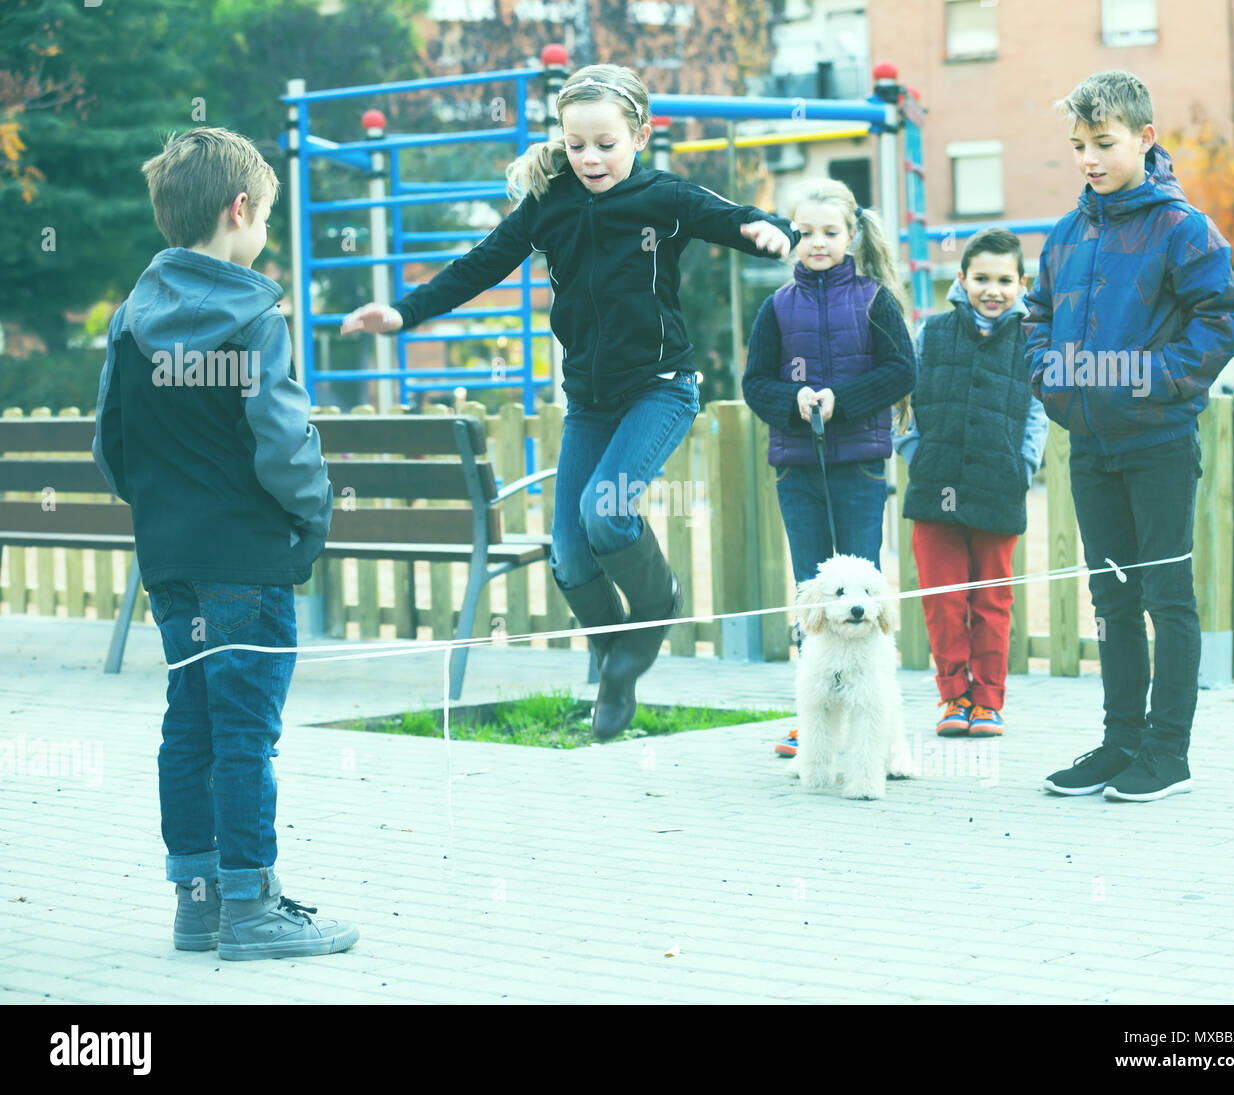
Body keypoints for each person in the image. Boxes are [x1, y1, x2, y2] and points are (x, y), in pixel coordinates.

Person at [342, 64, 796, 739]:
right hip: (588, 400)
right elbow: (480, 263)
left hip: (660, 389)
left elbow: (726, 216)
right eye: (577, 143)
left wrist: (766, 228)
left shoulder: (662, 195)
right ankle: (614, 649)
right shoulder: (549, 203)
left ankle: (644, 626)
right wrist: (404, 315)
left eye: (606, 144)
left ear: (638, 134)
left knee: (605, 515)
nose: (590, 158)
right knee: (570, 557)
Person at [93, 127, 357, 959]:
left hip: (170, 562)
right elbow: (283, 444)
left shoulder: (129, 321)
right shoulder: (254, 313)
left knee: (191, 726)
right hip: (246, 560)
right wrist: (311, 520)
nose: (264, 235)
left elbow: (110, 445)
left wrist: (167, 512)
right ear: (239, 210)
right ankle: (253, 906)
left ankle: (197, 902)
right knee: (246, 735)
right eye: (265, 218)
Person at [1025, 70, 1234, 801]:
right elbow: (1035, 317)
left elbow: (1222, 316)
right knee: (1113, 599)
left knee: (1165, 595)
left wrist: (1150, 378)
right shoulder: (1067, 234)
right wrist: (1052, 382)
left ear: (1145, 139)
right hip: (1089, 448)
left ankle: (1167, 751)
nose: (1089, 158)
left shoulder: (1182, 228)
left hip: (1156, 445)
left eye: (1104, 143)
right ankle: (1120, 744)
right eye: (1079, 144)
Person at [740, 179, 916, 758]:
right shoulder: (775, 308)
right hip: (797, 470)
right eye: (805, 233)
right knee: (814, 595)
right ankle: (812, 719)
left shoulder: (874, 299)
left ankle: (877, 724)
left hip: (860, 468)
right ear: (792, 237)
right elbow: (755, 384)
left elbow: (900, 372)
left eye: (829, 233)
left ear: (851, 236)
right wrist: (792, 402)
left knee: (863, 595)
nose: (817, 243)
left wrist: (843, 396)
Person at [893, 228, 1047, 738]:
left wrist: (1023, 466)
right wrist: (914, 451)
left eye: (1005, 280)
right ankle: (953, 696)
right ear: (961, 279)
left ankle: (988, 700)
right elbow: (904, 396)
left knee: (991, 598)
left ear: (1021, 283)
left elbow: (1038, 414)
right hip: (935, 483)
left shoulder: (1032, 339)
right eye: (981, 278)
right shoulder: (931, 332)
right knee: (943, 598)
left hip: (999, 485)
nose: (992, 289)